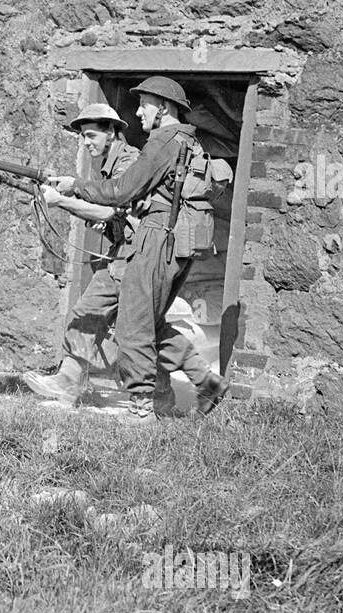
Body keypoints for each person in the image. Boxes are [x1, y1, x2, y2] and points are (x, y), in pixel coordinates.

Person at [51, 78, 230, 423]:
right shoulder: (186, 140)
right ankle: (205, 381)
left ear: (163, 106)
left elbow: (122, 191)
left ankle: (140, 407)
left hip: (155, 239)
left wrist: (76, 186)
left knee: (132, 326)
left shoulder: (162, 141)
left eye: (144, 104)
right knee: (150, 322)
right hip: (173, 241)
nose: (137, 112)